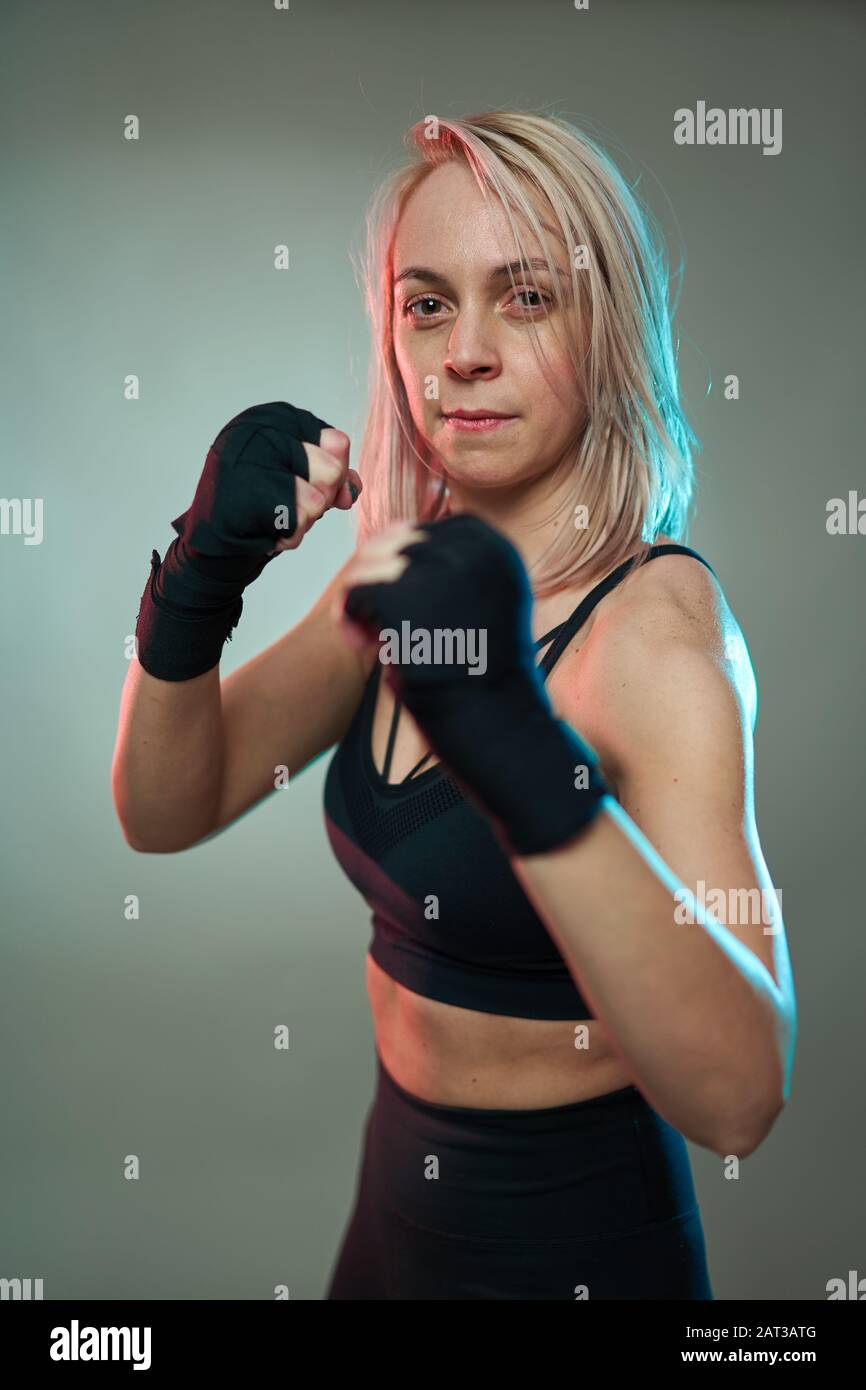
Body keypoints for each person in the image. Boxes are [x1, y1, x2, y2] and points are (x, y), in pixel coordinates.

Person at [112, 110, 796, 1300]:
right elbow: (168, 807)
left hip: (576, 1250)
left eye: (523, 296)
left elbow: (739, 1098)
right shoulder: (405, 567)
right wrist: (192, 579)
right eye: (427, 302)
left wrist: (516, 741)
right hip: (390, 1227)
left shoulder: (655, 637)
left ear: (607, 325)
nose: (460, 352)